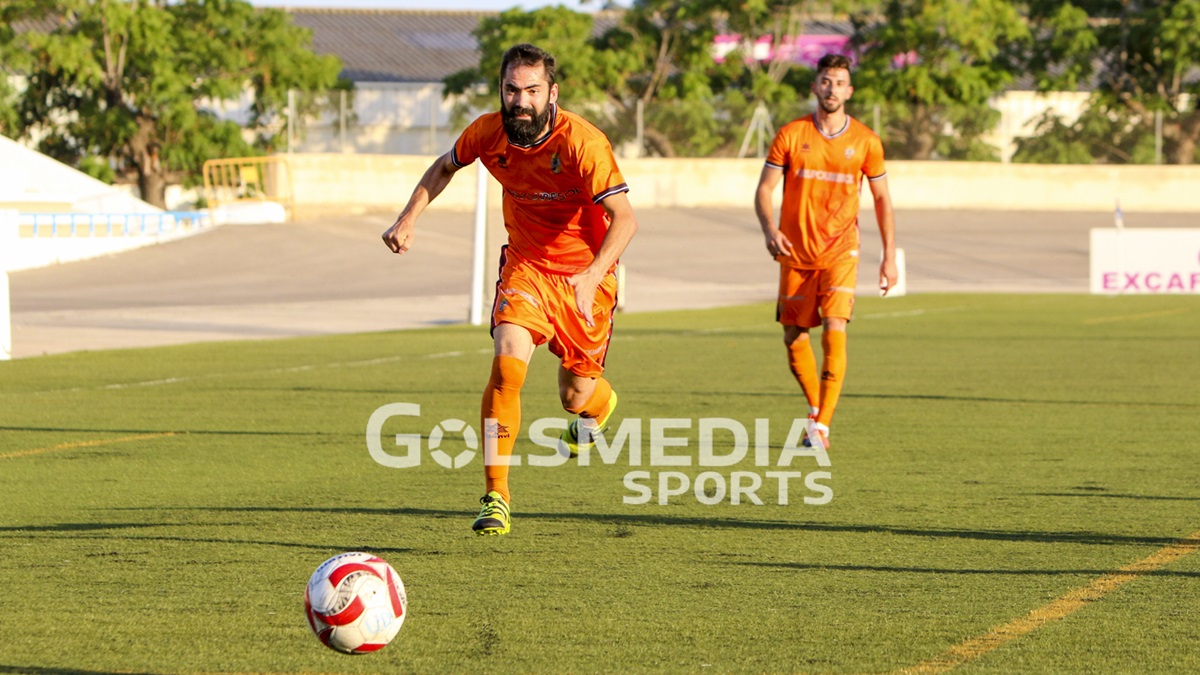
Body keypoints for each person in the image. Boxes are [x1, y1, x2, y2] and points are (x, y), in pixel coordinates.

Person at [382, 43, 638, 536]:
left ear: (552, 93)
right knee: (507, 363)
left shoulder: (582, 142)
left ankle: (599, 405)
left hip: (586, 275)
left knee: (575, 395)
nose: (521, 101)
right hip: (526, 267)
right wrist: (408, 217)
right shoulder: (487, 133)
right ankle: (496, 495)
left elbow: (625, 219)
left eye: (532, 91)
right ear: (501, 90)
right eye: (512, 90)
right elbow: (443, 166)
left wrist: (591, 275)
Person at [753, 53, 898, 450]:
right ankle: (816, 409)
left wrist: (889, 256)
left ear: (849, 91)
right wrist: (769, 230)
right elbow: (764, 189)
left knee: (835, 326)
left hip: (841, 251)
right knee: (793, 336)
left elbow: (882, 199)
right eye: (826, 81)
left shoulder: (866, 141)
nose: (832, 89)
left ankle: (823, 427)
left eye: (839, 83)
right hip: (795, 252)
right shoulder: (791, 134)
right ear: (815, 86)